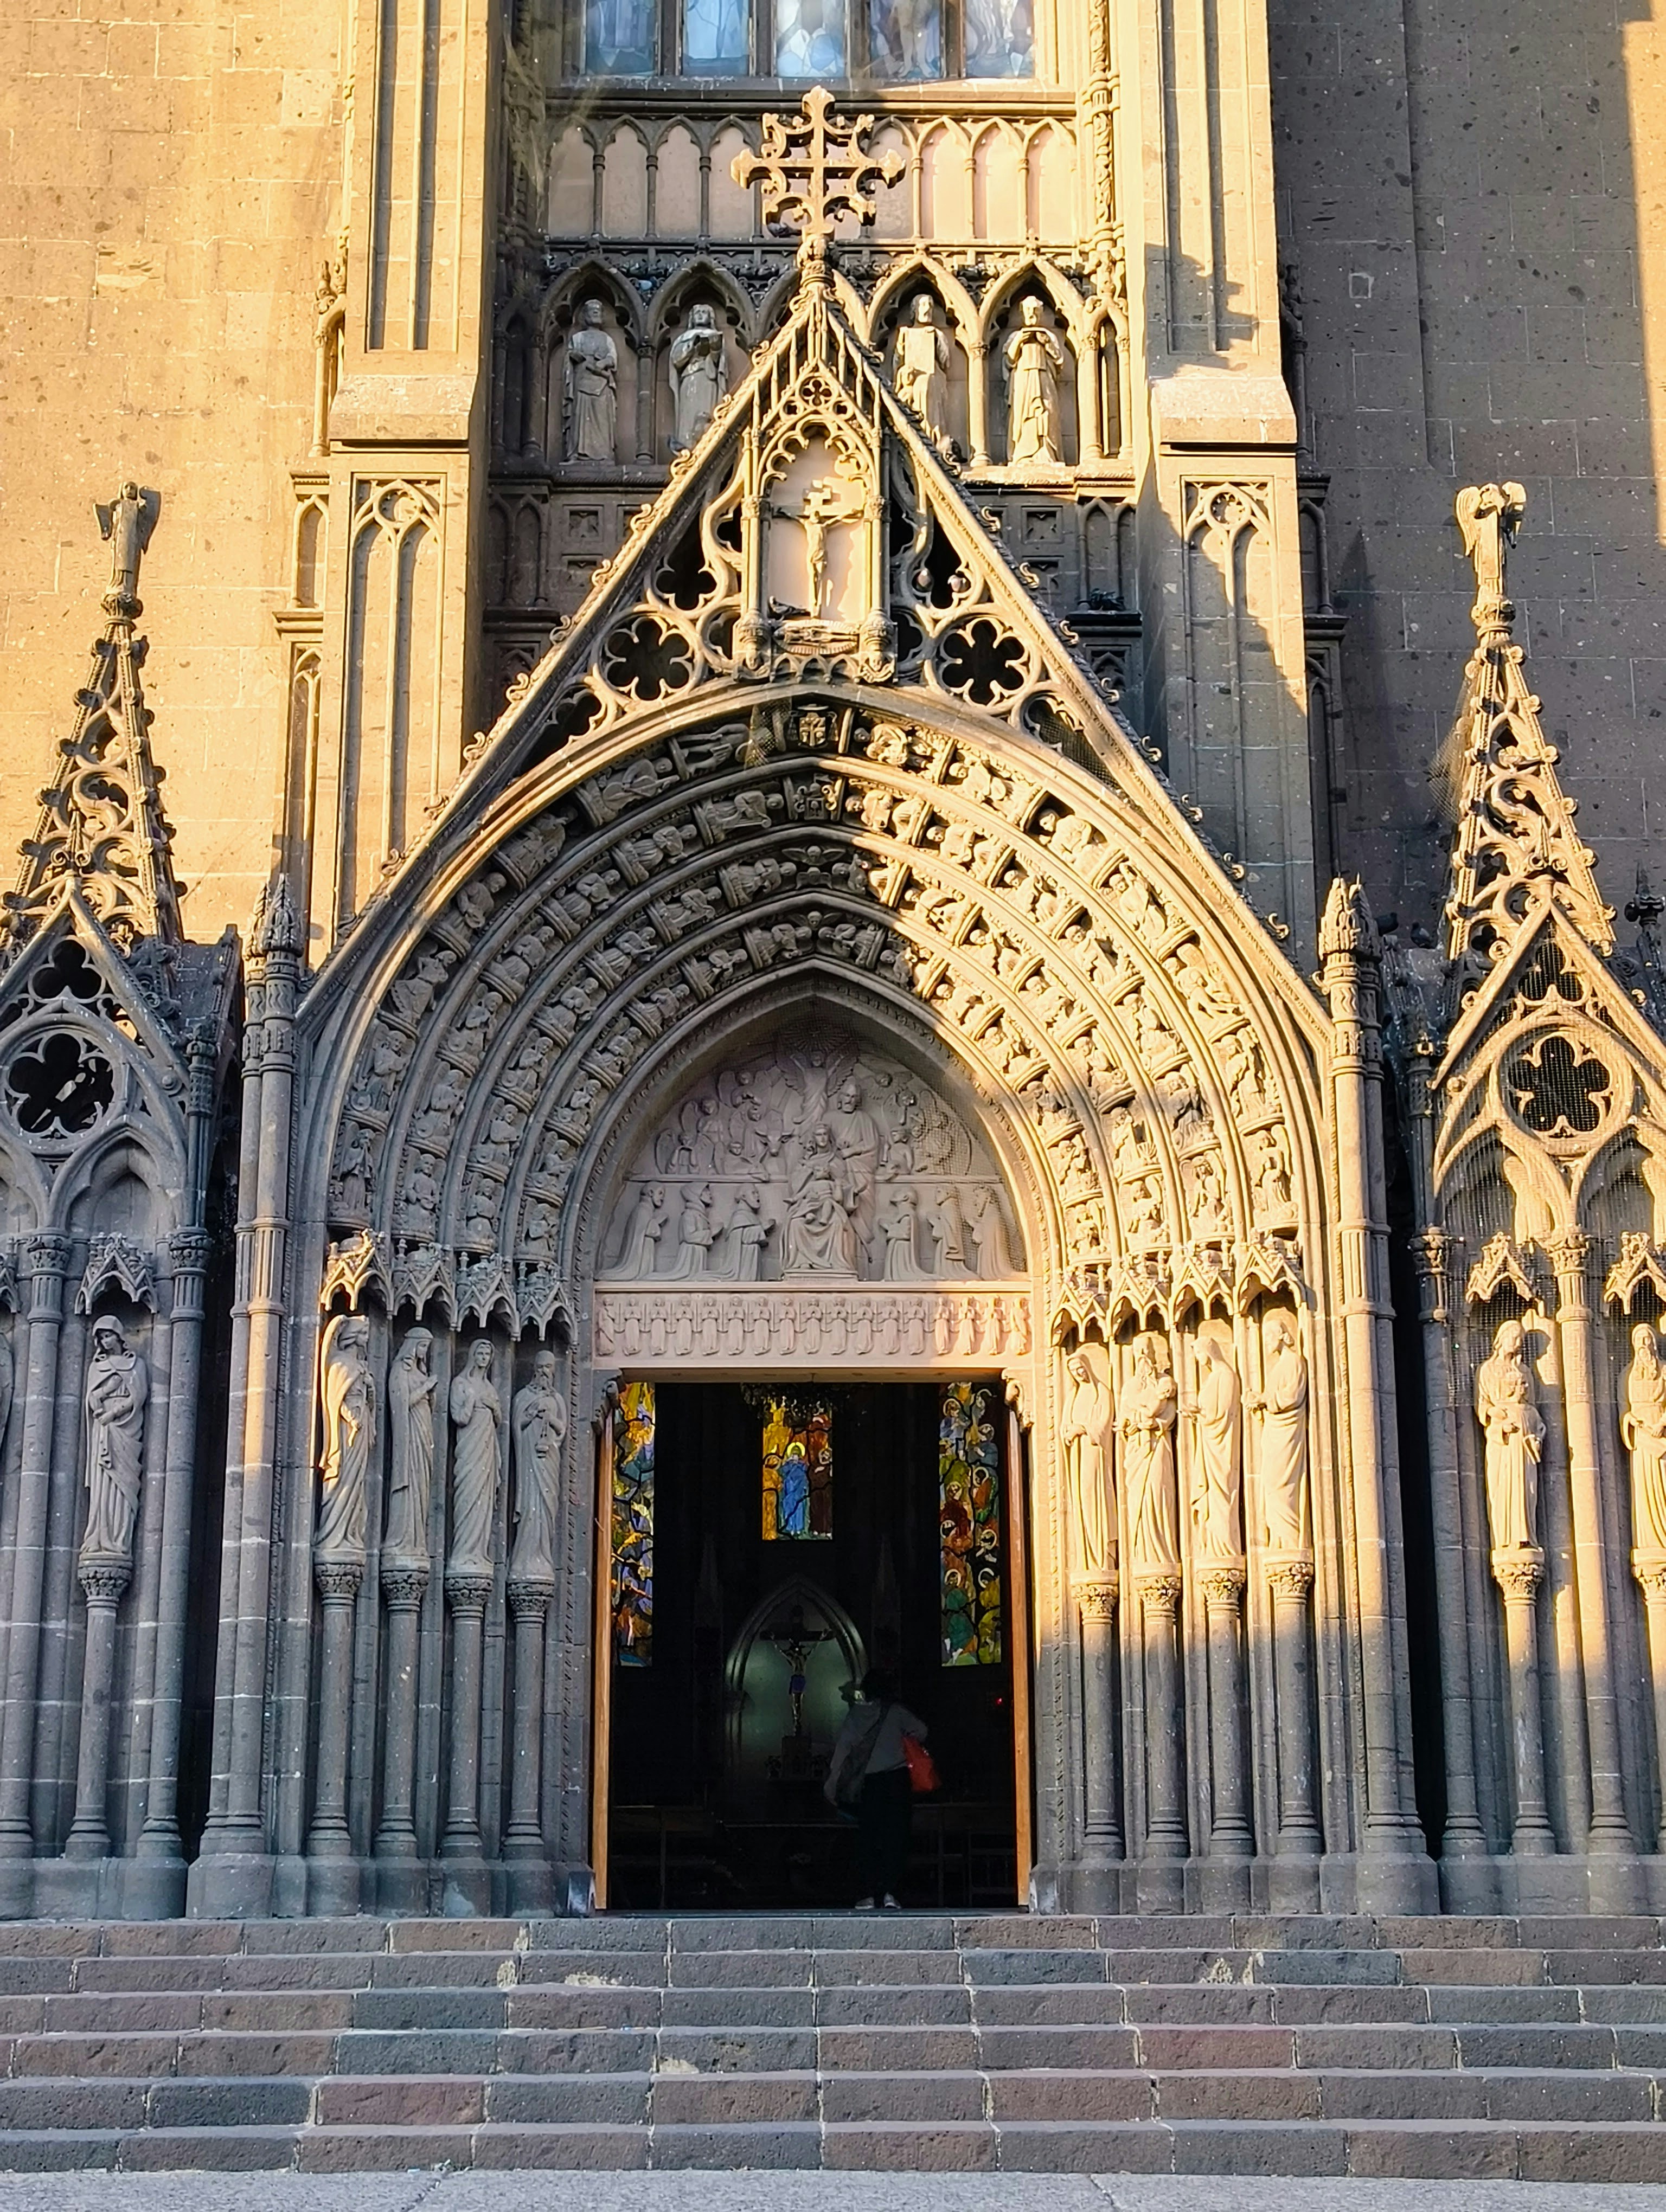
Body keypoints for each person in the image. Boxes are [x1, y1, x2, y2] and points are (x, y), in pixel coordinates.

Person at [823, 1668, 928, 1911]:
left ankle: (869, 1894)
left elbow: (843, 1750)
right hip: (897, 1781)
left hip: (869, 1784)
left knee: (869, 1838)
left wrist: (832, 1783)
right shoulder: (896, 1712)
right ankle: (891, 1893)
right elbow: (922, 1731)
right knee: (896, 1838)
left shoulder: (855, 1716)